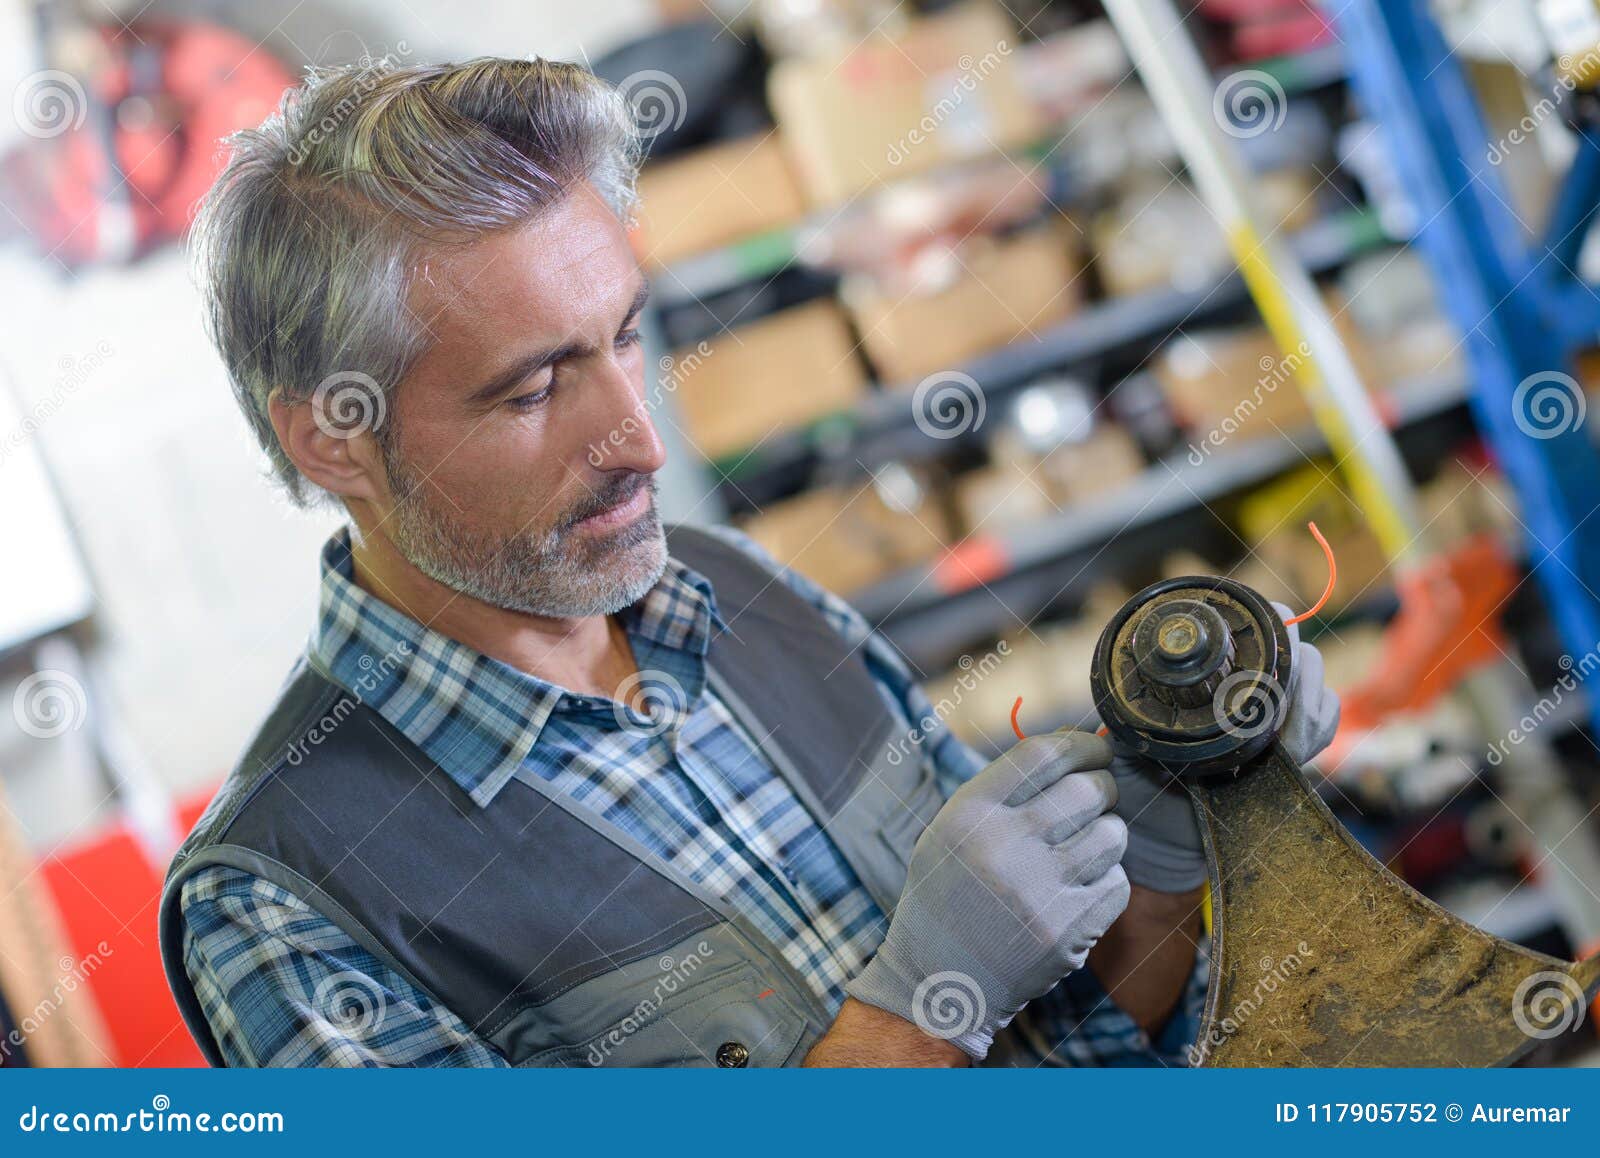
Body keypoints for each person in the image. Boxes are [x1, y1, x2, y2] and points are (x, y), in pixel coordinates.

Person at [159, 57, 1339, 1067]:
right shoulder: (286, 899)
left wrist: (1177, 855)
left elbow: (1075, 1059)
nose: (637, 439)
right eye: (531, 387)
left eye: (625, 336)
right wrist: (917, 1015)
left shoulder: (744, 595)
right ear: (335, 436)